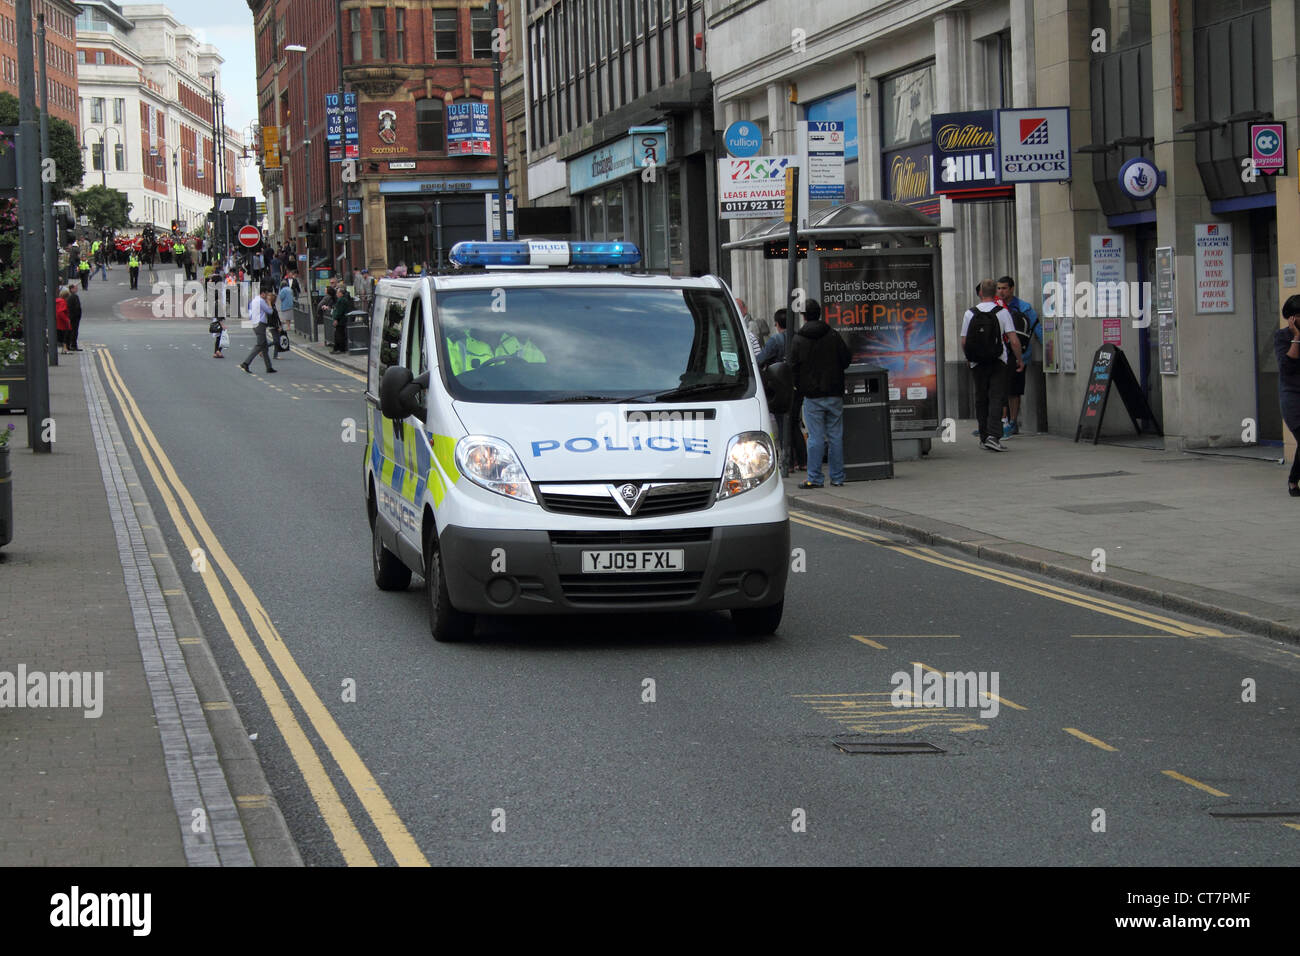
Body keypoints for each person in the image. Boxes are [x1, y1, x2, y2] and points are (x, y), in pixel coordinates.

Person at [790, 300, 851, 488]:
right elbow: (846, 360)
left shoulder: (798, 339)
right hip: (834, 392)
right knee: (835, 436)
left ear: (804, 316)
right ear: (820, 314)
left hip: (812, 395)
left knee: (815, 437)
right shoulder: (833, 335)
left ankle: (815, 478)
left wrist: (799, 385)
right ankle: (838, 477)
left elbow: (792, 367)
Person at [962, 278, 1023, 452]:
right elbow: (1013, 340)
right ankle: (993, 436)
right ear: (995, 293)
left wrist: (969, 357)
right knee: (996, 397)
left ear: (980, 293)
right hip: (998, 360)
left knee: (981, 398)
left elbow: (964, 340)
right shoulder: (1002, 312)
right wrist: (1019, 359)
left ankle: (983, 437)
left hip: (977, 362)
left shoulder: (970, 313)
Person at [996, 275, 1041, 437]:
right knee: (1001, 390)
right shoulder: (995, 307)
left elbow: (1037, 329)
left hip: (1019, 355)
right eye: (999, 288)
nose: (1001, 291)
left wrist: (1049, 350)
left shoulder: (1024, 308)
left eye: (1004, 288)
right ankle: (1002, 422)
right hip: (1000, 356)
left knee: (1013, 390)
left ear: (1012, 289)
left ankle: (1013, 423)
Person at [1277, 295, 1300, 497]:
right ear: (1292, 318)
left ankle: (1294, 480)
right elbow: (1286, 367)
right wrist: (1296, 337)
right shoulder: (1282, 337)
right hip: (1292, 398)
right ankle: (1293, 481)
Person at [239, 288, 278, 374]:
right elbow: (270, 311)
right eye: (266, 294)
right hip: (260, 324)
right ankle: (246, 363)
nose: (267, 296)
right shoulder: (261, 301)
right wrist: (269, 302)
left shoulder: (254, 300)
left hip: (254, 323)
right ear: (263, 293)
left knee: (264, 347)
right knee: (260, 345)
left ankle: (269, 367)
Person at [332, 281, 355, 354]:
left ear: (341, 293)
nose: (336, 294)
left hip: (341, 320)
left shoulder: (341, 300)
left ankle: (340, 349)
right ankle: (337, 348)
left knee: (339, 335)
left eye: (337, 293)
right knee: (338, 334)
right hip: (342, 320)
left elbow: (339, 311)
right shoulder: (342, 299)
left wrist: (336, 319)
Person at [66, 284, 83, 352]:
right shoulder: (74, 297)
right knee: (74, 332)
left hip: (71, 317)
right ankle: (73, 345)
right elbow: (77, 307)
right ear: (71, 289)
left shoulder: (69, 296)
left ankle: (70, 345)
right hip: (74, 318)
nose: (77, 289)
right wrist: (77, 316)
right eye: (75, 288)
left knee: (71, 331)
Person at [55, 290, 71, 354]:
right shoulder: (63, 302)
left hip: (58, 322)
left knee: (62, 336)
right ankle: (65, 349)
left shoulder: (57, 301)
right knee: (65, 336)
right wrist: (67, 319)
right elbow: (60, 312)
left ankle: (64, 349)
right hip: (62, 323)